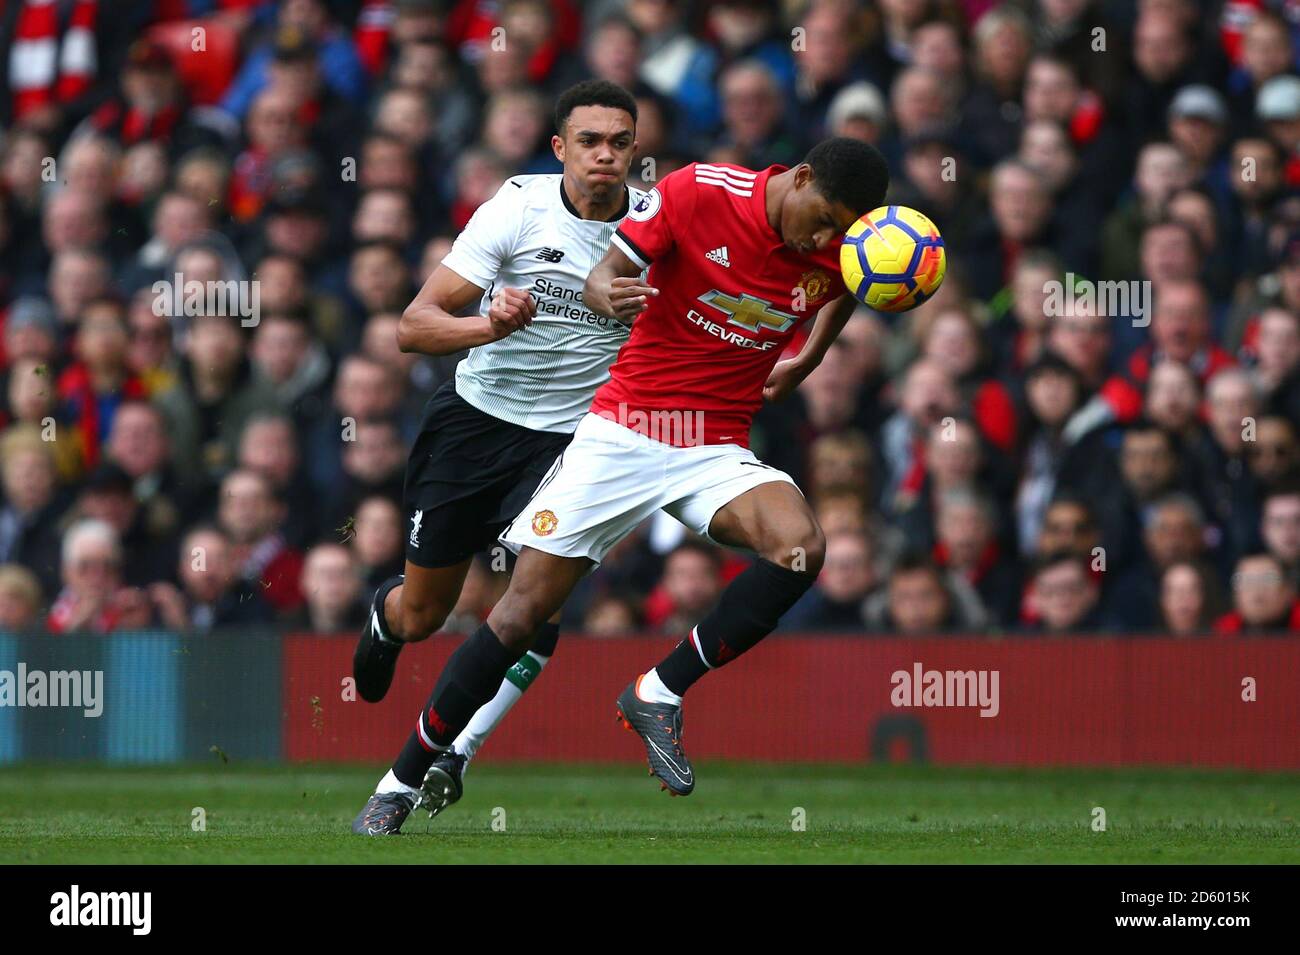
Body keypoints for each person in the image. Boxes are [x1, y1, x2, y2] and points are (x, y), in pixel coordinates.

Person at [351, 135, 889, 834]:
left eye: (840, 230)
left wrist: (806, 357)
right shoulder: (700, 192)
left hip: (713, 443)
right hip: (622, 432)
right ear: (801, 177)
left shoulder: (846, 246)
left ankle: (657, 691)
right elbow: (606, 274)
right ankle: (397, 783)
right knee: (518, 620)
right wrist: (608, 291)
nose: (824, 236)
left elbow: (847, 286)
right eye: (822, 217)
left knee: (800, 548)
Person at [350, 80, 646, 835]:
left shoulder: (655, 228)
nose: (604, 155)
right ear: (560, 149)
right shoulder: (517, 206)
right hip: (474, 425)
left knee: (532, 599)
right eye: (589, 141)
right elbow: (413, 329)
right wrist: (489, 324)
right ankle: (387, 622)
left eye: (619, 141)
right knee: (427, 612)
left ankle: (453, 752)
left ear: (635, 150)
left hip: (572, 443)